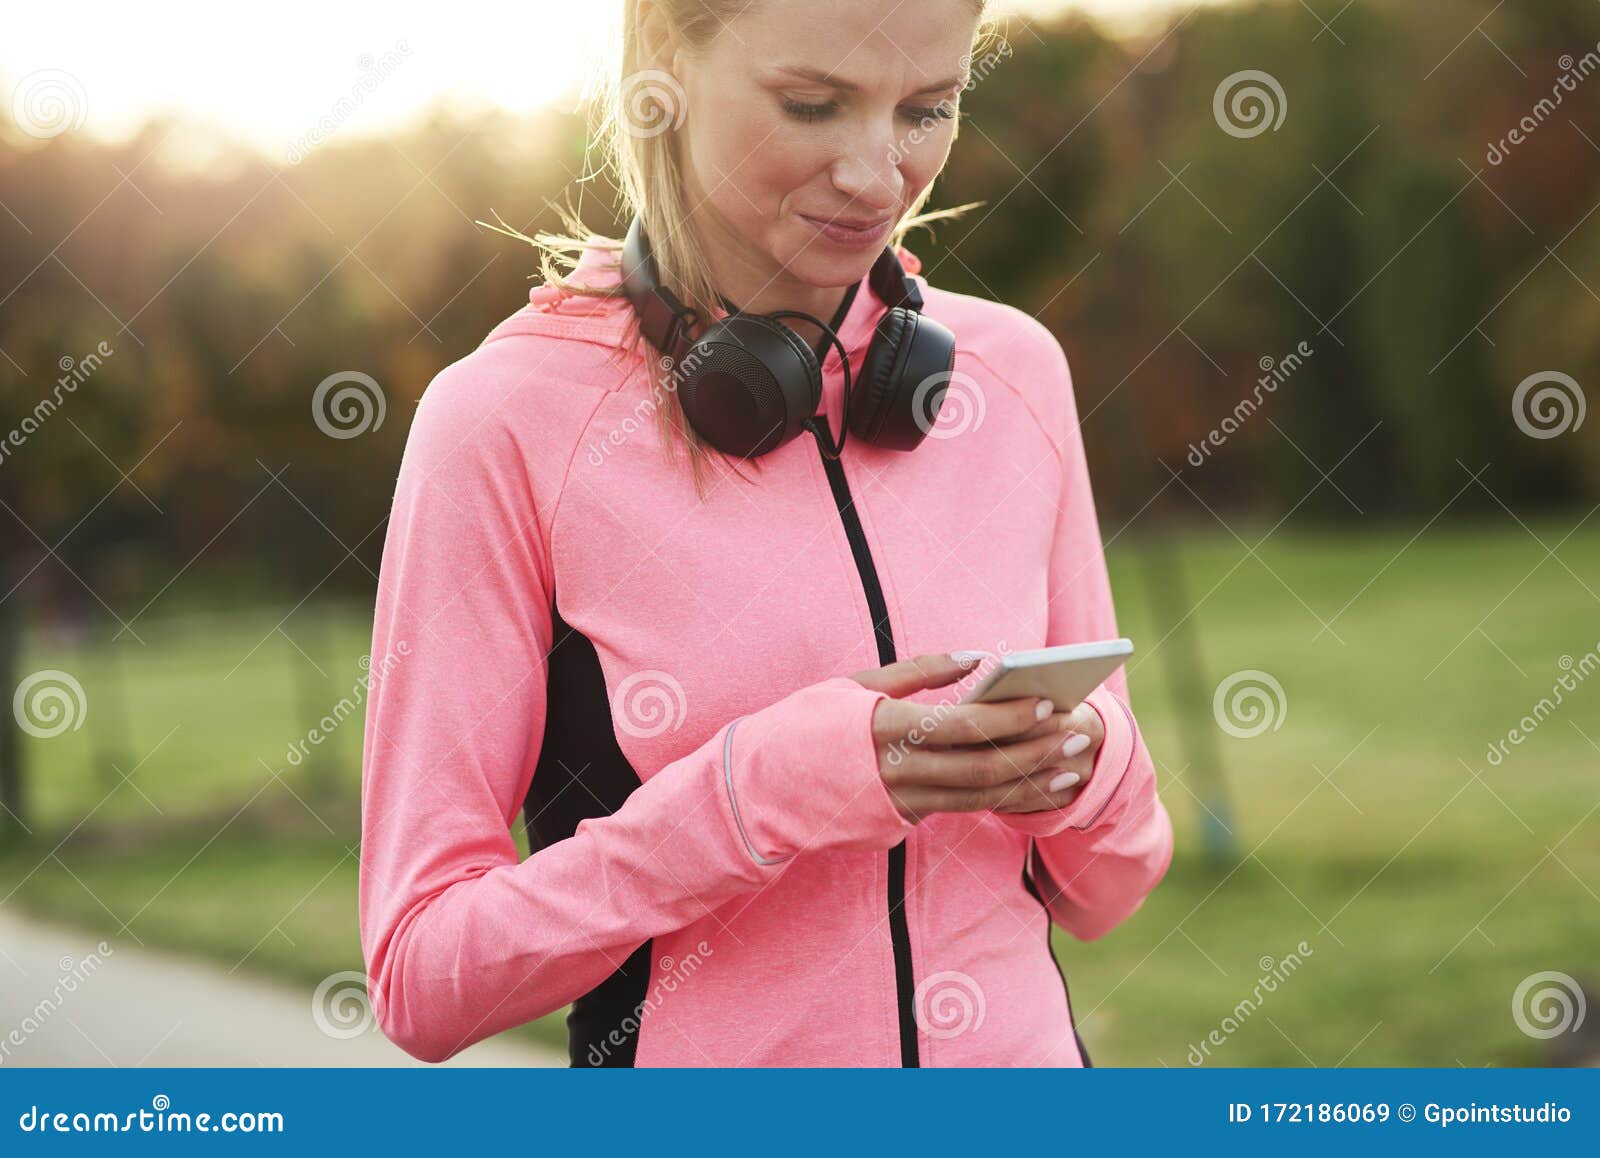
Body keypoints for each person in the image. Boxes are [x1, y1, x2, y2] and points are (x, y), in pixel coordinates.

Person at [358, 0, 1173, 1068]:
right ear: (663, 62)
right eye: (811, 105)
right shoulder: (503, 423)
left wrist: (1090, 761)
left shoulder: (1013, 373)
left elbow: (1109, 886)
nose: (880, 177)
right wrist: (761, 794)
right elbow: (424, 980)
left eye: (927, 110)